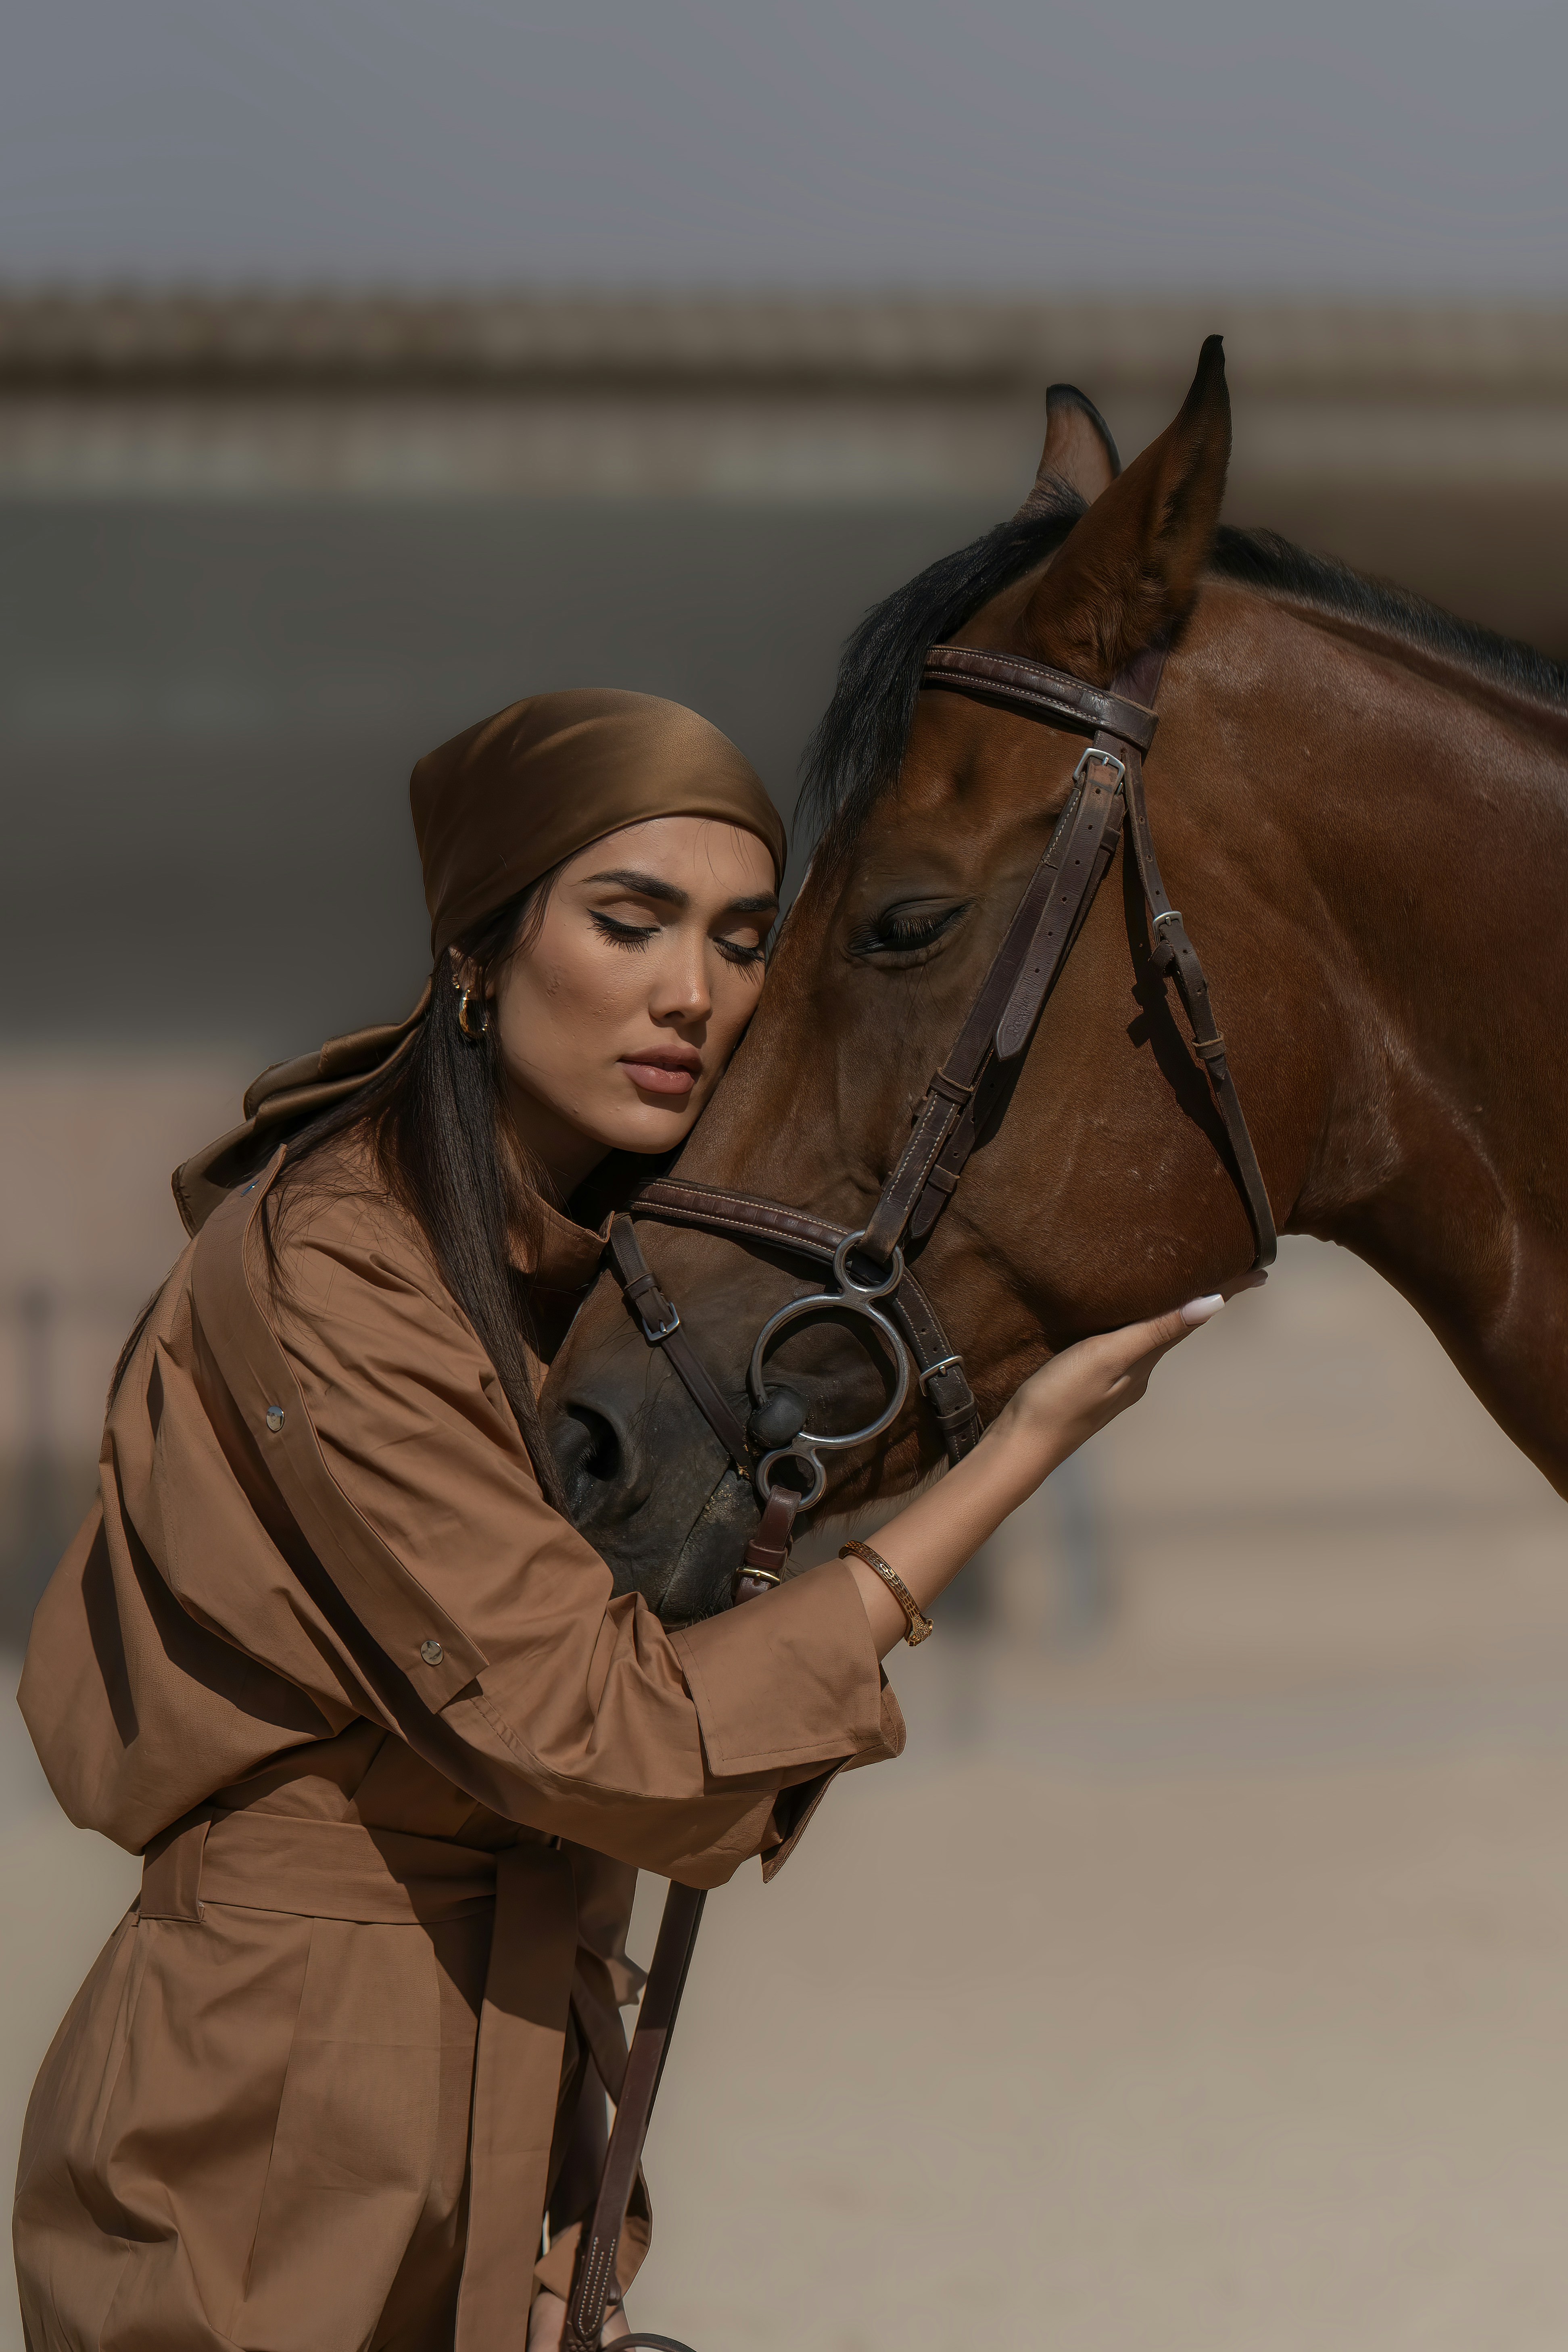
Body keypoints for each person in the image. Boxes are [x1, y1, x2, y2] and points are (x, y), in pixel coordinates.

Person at [13, 688, 1239, 2352]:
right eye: (630, 919)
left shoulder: (598, 1274)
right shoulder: (337, 1266)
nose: (696, 994)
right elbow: (595, 1730)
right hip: (271, 2104)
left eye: (742, 941)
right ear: (478, 952)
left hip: (510, 2061)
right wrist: (1014, 1460)